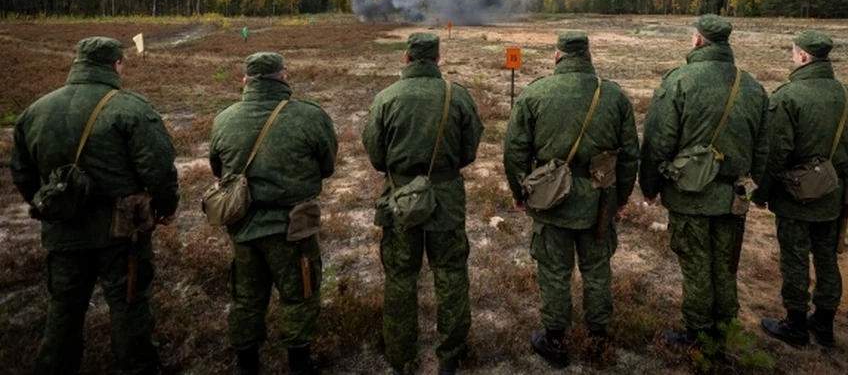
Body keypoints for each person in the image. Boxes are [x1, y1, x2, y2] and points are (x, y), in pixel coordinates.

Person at [10, 37, 179, 375]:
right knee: (129, 302)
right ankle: (140, 368)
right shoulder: (131, 109)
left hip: (64, 232)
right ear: (116, 65)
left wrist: (52, 205)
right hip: (122, 233)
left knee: (64, 306)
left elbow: (22, 173)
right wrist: (165, 207)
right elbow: (158, 169)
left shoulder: (35, 111)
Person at [503, 31, 640, 368]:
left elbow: (514, 150)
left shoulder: (536, 93)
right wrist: (622, 197)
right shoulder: (614, 96)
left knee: (553, 270)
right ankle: (597, 338)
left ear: (557, 55)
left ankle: (555, 340)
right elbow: (630, 155)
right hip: (600, 200)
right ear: (589, 54)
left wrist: (520, 191)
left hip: (552, 199)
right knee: (597, 270)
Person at [639, 14, 768, 346]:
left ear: (698, 40)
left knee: (697, 264)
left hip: (689, 195)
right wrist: (761, 189)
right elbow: (765, 146)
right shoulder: (752, 86)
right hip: (733, 196)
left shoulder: (679, 81)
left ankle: (698, 335)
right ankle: (725, 330)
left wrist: (650, 187)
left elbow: (658, 141)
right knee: (726, 266)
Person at [209, 52, 338, 375]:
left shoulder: (225, 119)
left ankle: (247, 364)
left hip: (243, 225)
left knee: (246, 298)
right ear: (284, 77)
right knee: (300, 295)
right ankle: (299, 364)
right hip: (294, 226)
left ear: (245, 81)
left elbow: (217, 169)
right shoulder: (310, 116)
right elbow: (327, 166)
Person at [362, 33, 483, 375]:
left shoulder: (386, 98)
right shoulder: (456, 96)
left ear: (406, 57)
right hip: (446, 199)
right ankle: (450, 357)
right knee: (450, 274)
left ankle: (401, 357)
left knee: (400, 276)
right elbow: (470, 150)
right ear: (438, 57)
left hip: (400, 200)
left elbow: (375, 153)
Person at [752, 31, 848, 348]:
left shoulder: (787, 97)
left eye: (794, 52)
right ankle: (825, 323)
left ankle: (796, 325)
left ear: (802, 56)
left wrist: (761, 193)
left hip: (794, 196)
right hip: (833, 194)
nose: (793, 57)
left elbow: (776, 154)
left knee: (795, 258)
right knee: (828, 258)